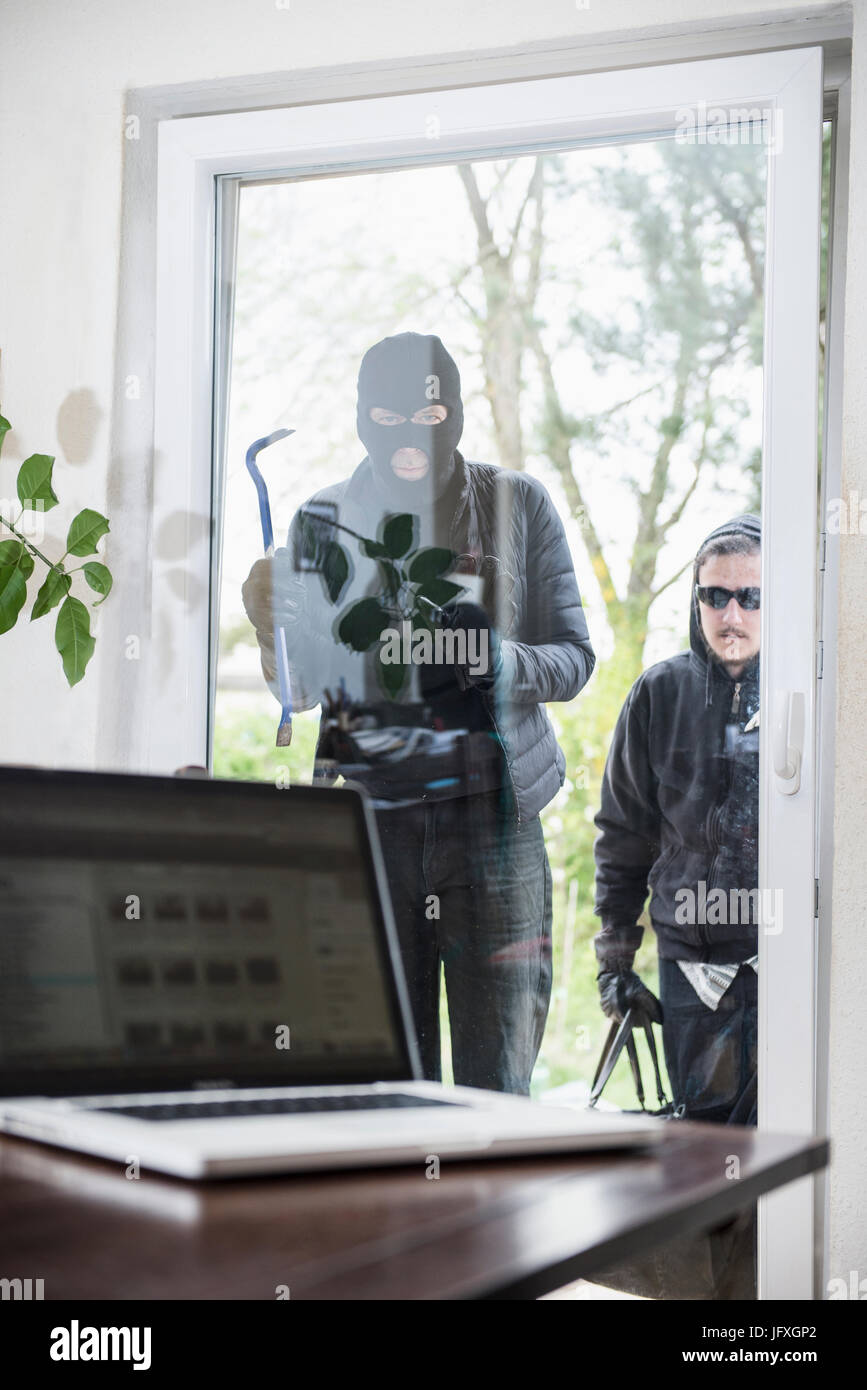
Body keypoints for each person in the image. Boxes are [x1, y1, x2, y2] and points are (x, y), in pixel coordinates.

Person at [242, 332, 595, 1094]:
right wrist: (265, 623)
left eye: (429, 413)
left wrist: (502, 662)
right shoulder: (321, 520)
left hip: (495, 831)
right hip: (372, 830)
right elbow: (298, 692)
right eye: (386, 416)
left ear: (455, 411)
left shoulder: (518, 505)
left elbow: (575, 658)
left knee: (495, 1080)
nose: (409, 435)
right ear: (362, 418)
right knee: (382, 1076)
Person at [592, 514, 761, 1125]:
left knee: (784, 1157)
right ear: (697, 601)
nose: (731, 614)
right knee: (706, 1151)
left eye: (751, 597)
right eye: (715, 596)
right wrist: (614, 964)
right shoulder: (657, 695)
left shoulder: (806, 700)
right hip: (692, 969)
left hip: (787, 963)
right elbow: (622, 837)